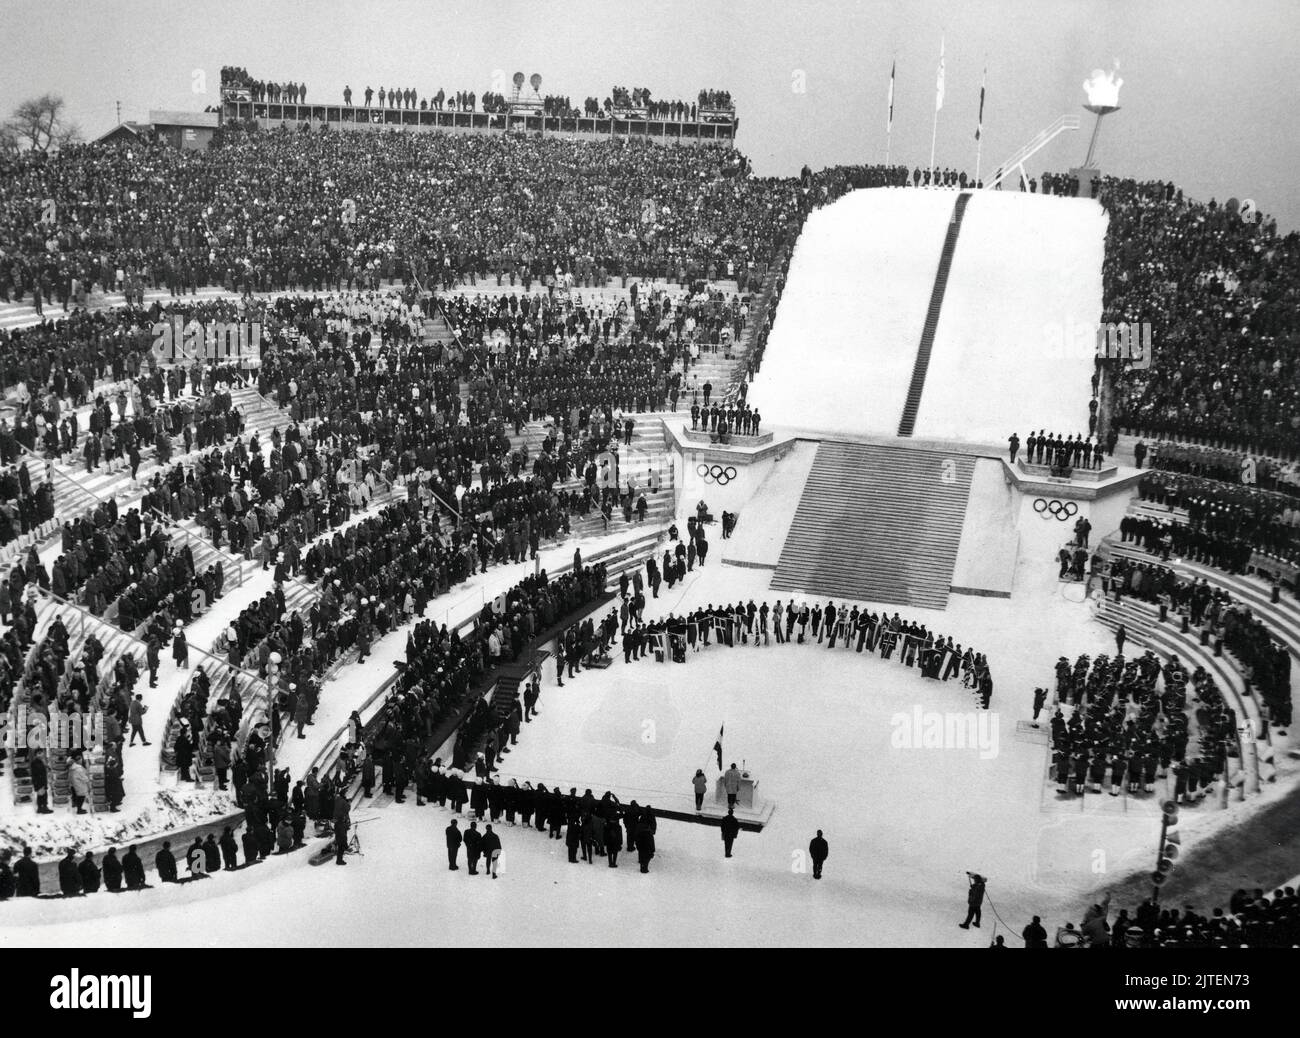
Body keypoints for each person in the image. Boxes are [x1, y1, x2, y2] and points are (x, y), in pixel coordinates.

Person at [31, 748, 51, 814]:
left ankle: (40, 808)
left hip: (42, 781)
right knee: (43, 795)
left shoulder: (41, 761)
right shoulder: (35, 762)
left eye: (41, 753)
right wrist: (38, 785)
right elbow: (36, 773)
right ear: (35, 755)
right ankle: (44, 808)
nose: (41, 754)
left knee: (40, 795)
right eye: (39, 753)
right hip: (39, 782)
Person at [333, 793, 351, 865]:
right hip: (341, 825)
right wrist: (348, 803)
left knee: (339, 840)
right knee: (342, 843)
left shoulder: (337, 800)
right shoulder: (343, 802)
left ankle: (340, 856)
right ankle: (339, 860)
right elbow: (347, 809)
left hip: (337, 824)